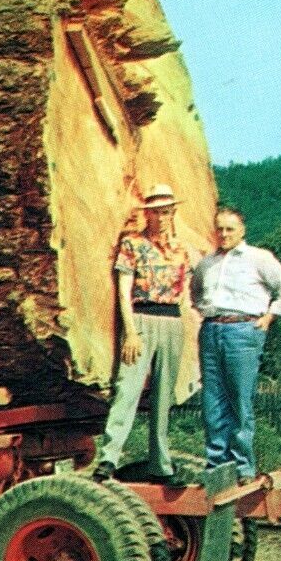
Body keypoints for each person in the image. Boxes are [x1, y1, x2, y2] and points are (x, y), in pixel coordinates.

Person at [190, 207, 281, 482]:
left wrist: (269, 317)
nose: (224, 234)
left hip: (243, 330)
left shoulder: (258, 258)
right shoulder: (207, 263)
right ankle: (217, 464)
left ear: (242, 230)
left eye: (230, 229)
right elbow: (194, 292)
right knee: (212, 399)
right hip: (212, 329)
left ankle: (242, 466)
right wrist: (205, 312)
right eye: (220, 229)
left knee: (240, 398)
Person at [92, 184, 191, 485]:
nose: (160, 218)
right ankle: (108, 457)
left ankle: (161, 464)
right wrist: (131, 332)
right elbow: (124, 291)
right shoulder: (133, 245)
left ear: (173, 213)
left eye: (166, 212)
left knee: (163, 396)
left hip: (172, 320)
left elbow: (186, 291)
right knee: (128, 389)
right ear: (147, 214)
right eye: (155, 213)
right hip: (142, 318)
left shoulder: (182, 250)